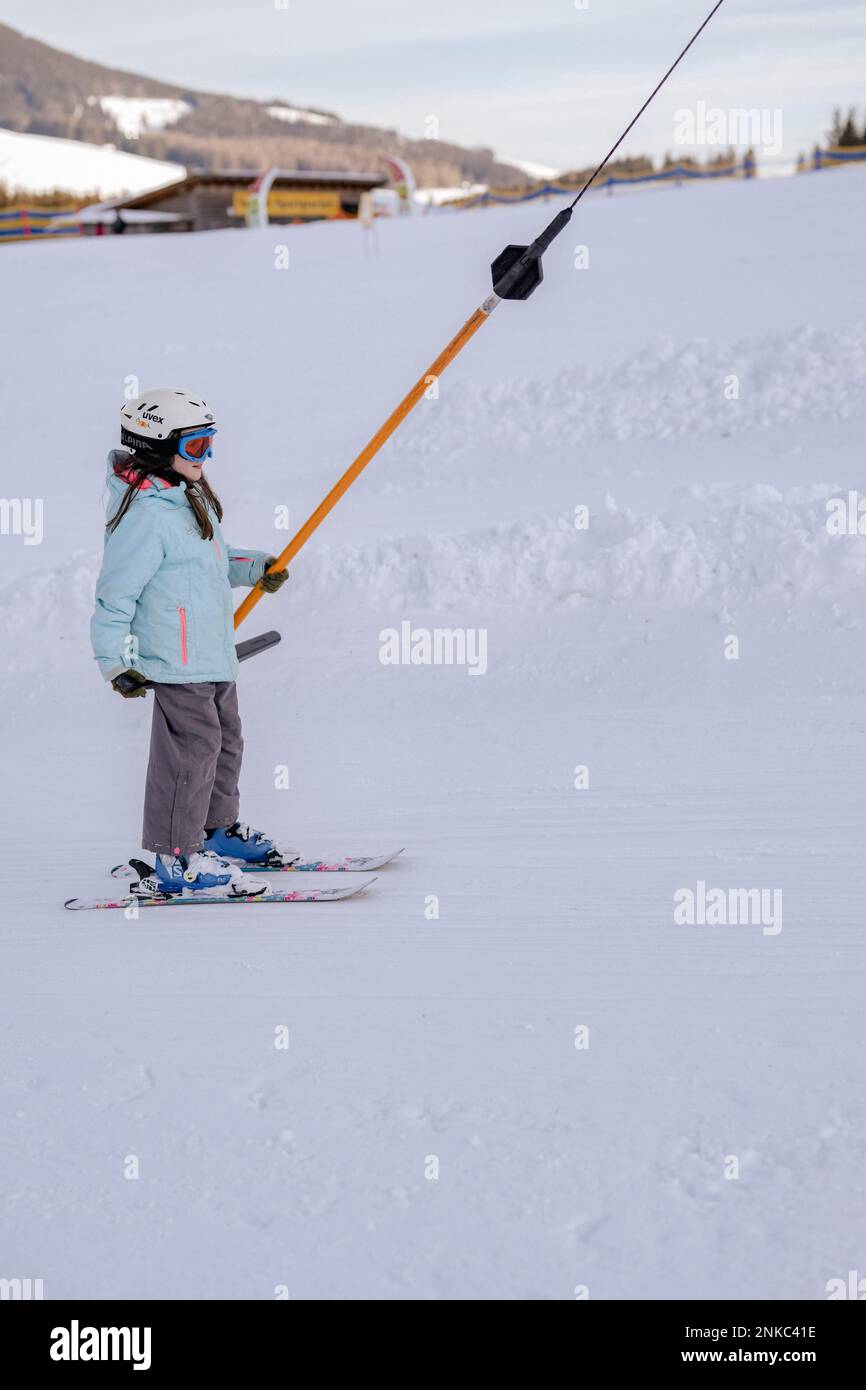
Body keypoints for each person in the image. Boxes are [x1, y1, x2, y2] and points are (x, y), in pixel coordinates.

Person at [91, 388, 292, 899]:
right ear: (159, 447)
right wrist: (116, 665)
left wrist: (252, 568)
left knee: (225, 743)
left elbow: (207, 565)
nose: (208, 458)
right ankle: (173, 857)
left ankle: (215, 832)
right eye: (198, 446)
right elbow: (115, 595)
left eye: (209, 445)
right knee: (188, 756)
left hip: (212, 655)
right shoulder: (146, 516)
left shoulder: (185, 498)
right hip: (175, 663)